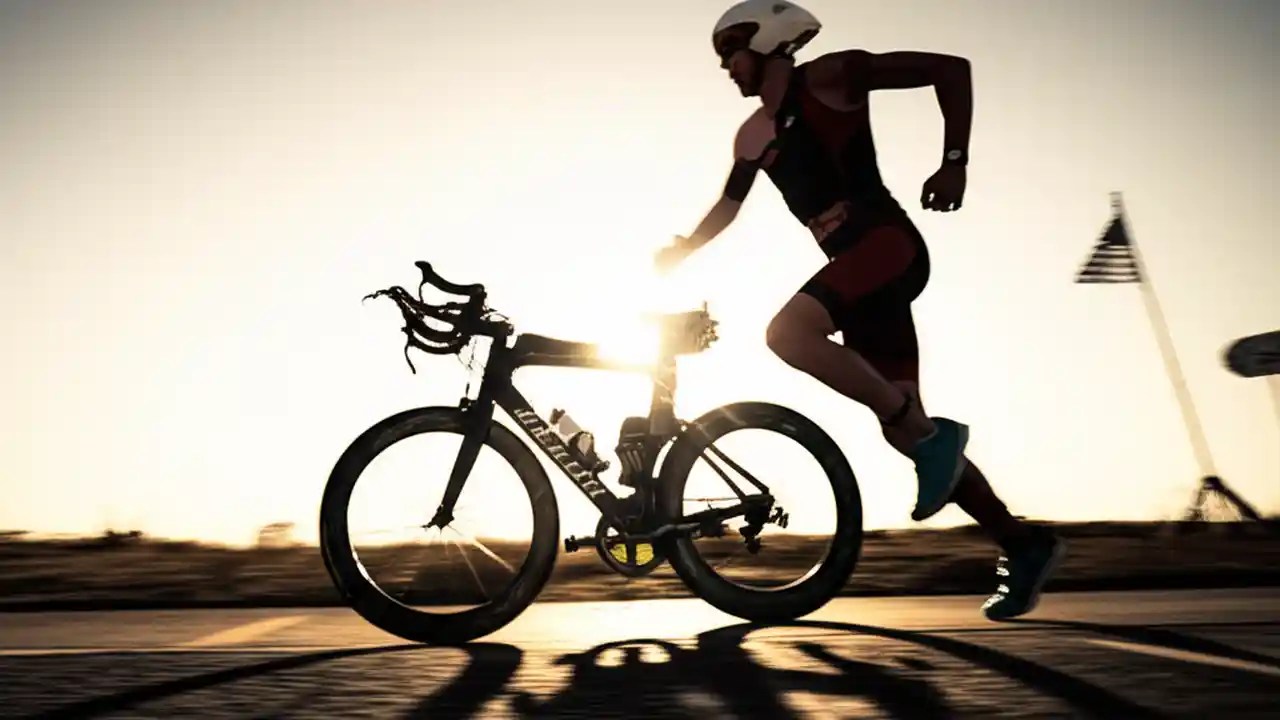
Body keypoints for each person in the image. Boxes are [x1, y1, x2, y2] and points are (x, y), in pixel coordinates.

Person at [655, 0, 1065, 620]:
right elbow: (730, 205)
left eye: (729, 54)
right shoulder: (753, 135)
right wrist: (685, 247)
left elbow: (951, 69)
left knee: (788, 332)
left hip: (887, 248)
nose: (726, 69)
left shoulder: (832, 76)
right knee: (907, 432)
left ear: (763, 41)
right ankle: (1022, 542)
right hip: (860, 273)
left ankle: (934, 437)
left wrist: (955, 163)